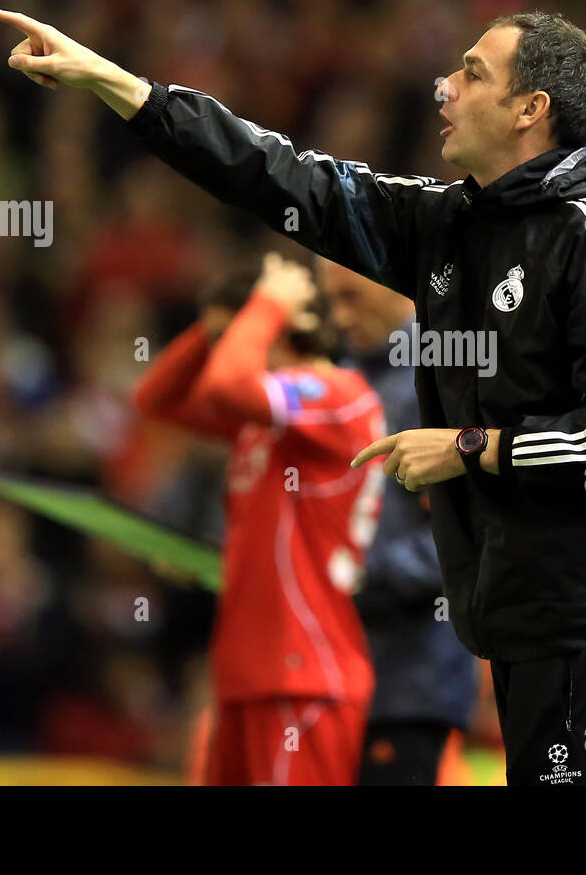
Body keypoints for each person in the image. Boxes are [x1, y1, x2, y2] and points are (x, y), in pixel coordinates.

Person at [0, 6, 586, 785]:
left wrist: (473, 448)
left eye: (472, 73)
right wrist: (122, 86)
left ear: (532, 110)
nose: (445, 89)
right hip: (523, 619)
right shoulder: (453, 221)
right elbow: (288, 177)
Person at [134, 254, 384, 785]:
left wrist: (265, 306)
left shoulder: (338, 398)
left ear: (280, 325)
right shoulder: (262, 425)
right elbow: (155, 399)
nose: (228, 348)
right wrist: (218, 324)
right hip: (246, 676)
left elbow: (227, 386)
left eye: (242, 333)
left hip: (303, 673)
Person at [318, 259, 478, 784]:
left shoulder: (445, 376)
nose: (340, 317)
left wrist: (364, 576)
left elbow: (468, 529)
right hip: (331, 672)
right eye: (330, 301)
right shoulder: (334, 380)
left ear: (393, 281)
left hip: (411, 683)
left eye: (353, 297)